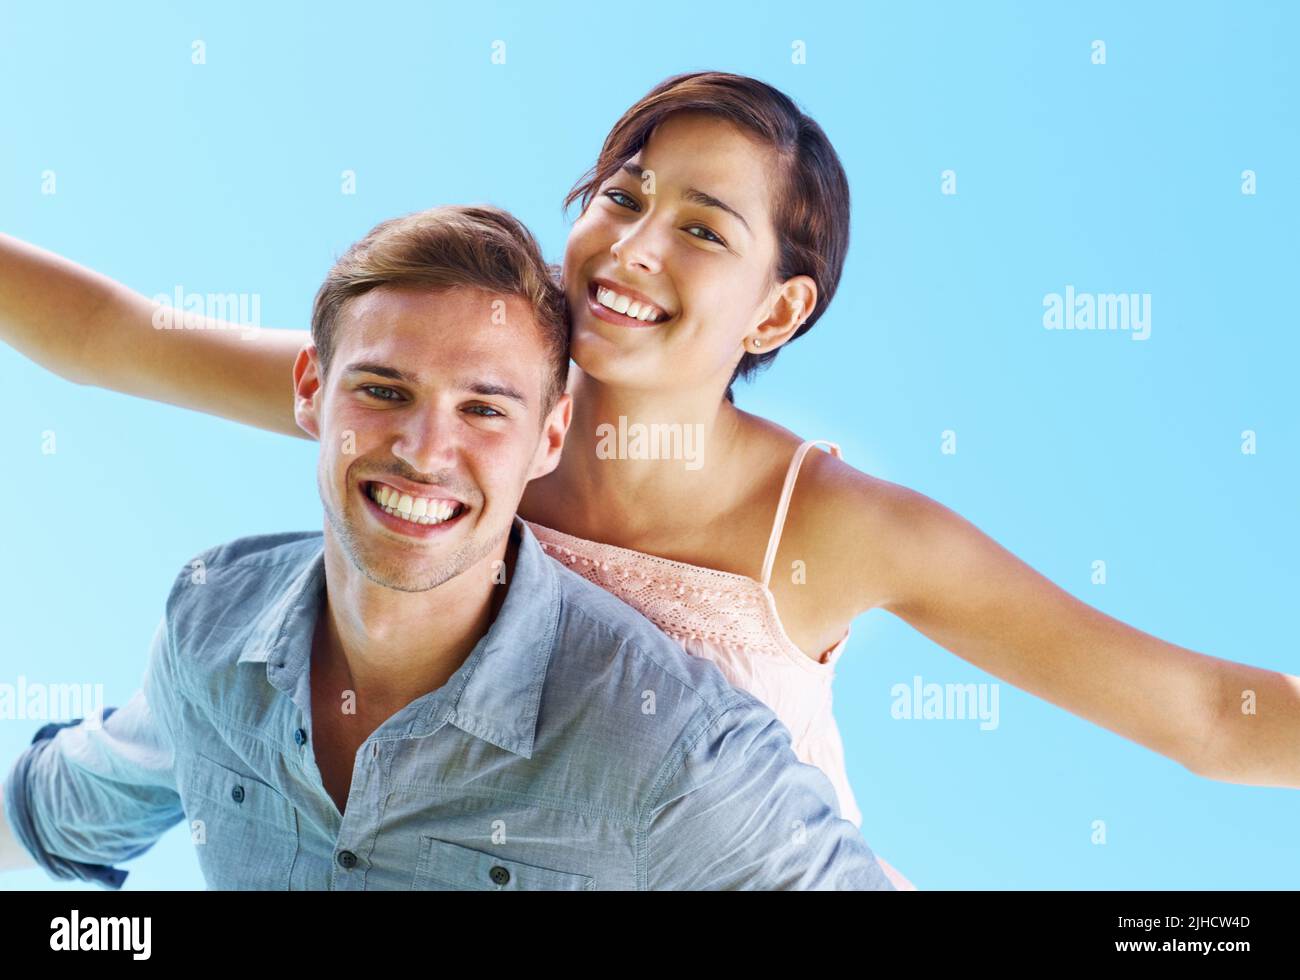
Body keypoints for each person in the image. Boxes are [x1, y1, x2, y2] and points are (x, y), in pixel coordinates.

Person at [3, 73, 1298, 891]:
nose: (629, 246)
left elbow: (1210, 717)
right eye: (621, 196)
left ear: (777, 310)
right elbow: (114, 338)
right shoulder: (453, 414)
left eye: (700, 229)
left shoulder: (831, 527)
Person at [0, 205, 897, 891]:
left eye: (483, 410)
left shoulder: (675, 752)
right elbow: (70, 804)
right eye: (385, 391)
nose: (425, 452)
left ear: (549, 439)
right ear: (311, 390)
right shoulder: (213, 627)